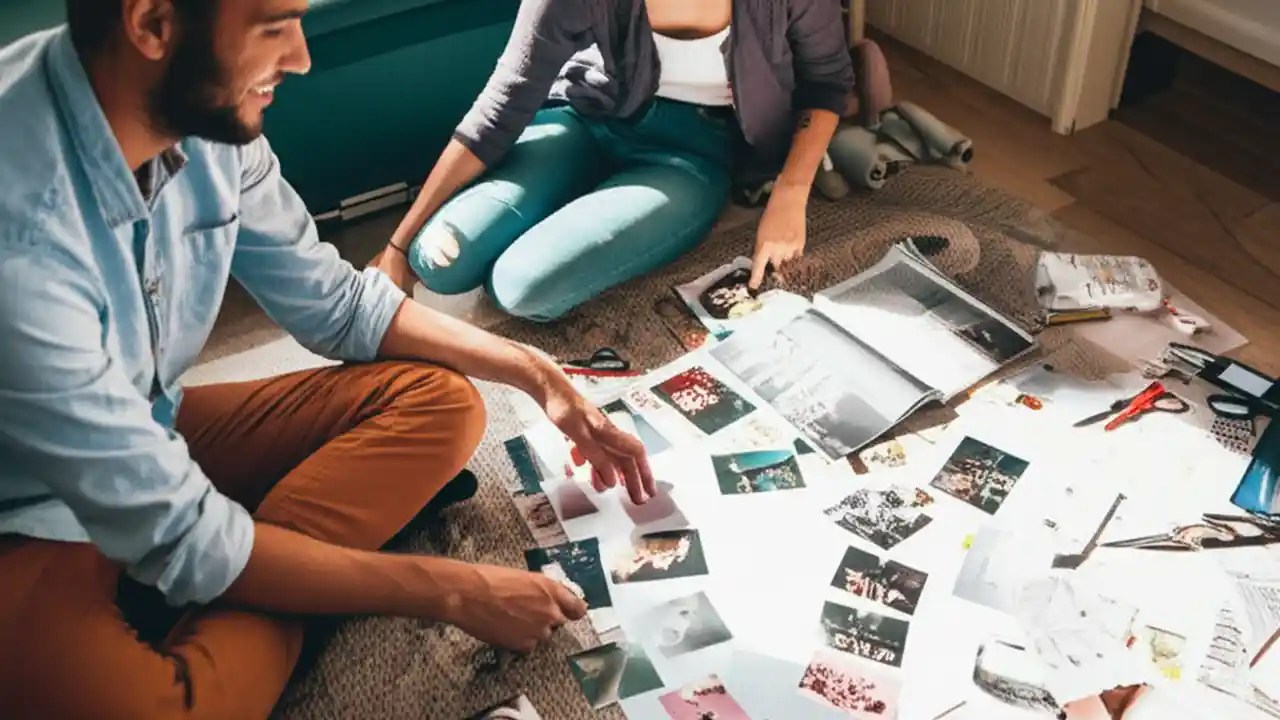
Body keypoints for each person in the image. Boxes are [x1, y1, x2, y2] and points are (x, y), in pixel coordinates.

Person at [0, 2, 655, 718]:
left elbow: (340, 305)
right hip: (25, 511)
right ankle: (275, 584)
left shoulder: (204, 113)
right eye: (274, 25)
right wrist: (450, 589)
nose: (303, 57)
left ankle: (274, 576)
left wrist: (536, 374)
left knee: (442, 401)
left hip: (152, 427)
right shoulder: (19, 242)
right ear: (153, 24)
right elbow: (183, 537)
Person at [371, 0, 855, 320]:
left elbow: (827, 82)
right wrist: (396, 245)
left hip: (691, 154)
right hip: (584, 118)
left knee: (522, 288)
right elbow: (501, 107)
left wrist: (791, 194)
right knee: (435, 258)